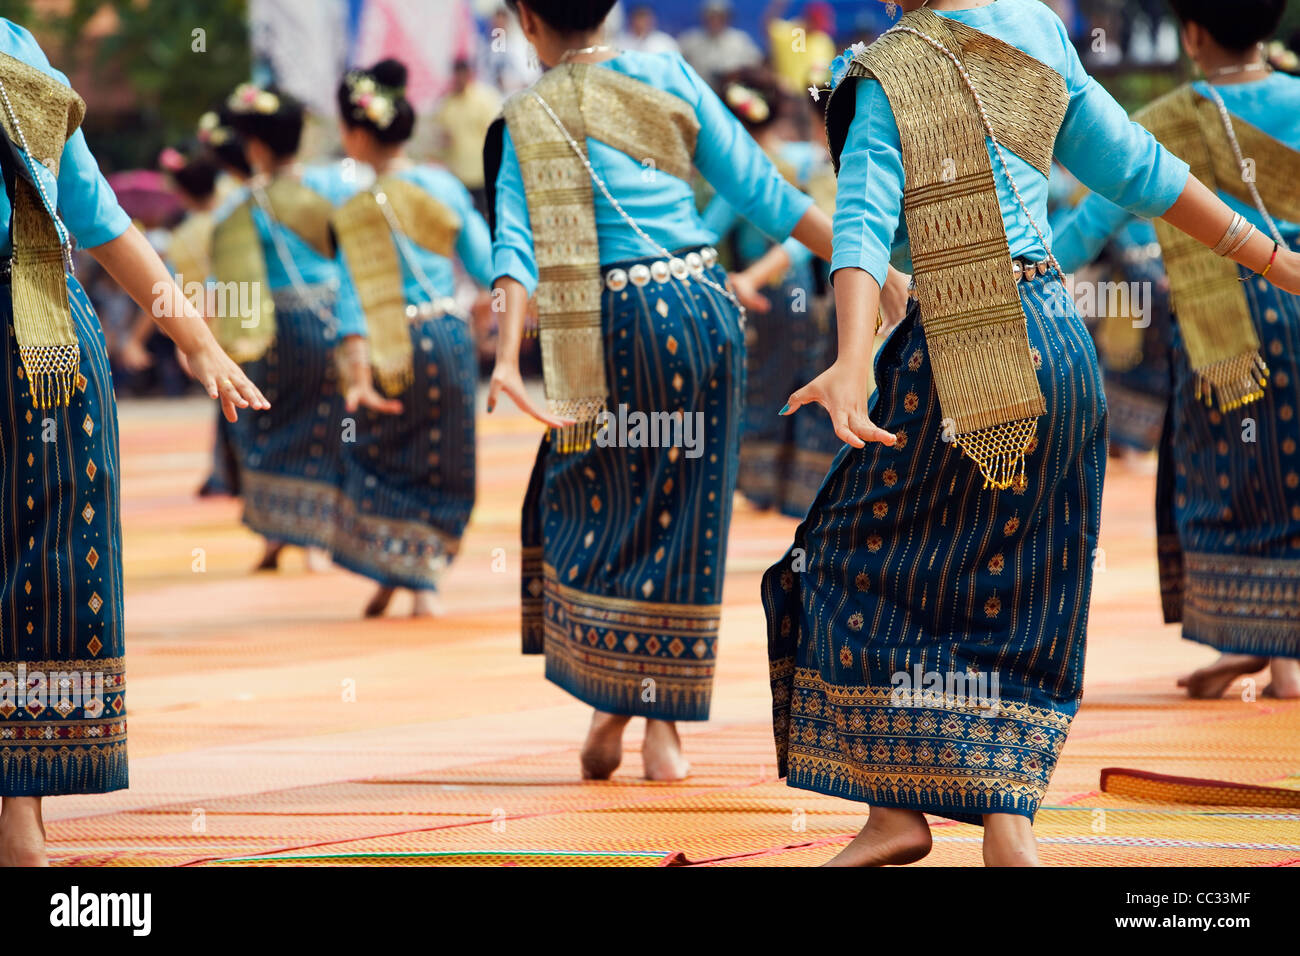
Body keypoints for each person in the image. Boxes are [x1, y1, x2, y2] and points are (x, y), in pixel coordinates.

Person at [762, 0, 1300, 867]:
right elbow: (1141, 171)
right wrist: (1278, 261)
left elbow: (862, 221)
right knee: (1021, 572)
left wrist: (852, 357)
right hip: (1057, 338)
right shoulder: (1041, 30)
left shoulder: (886, 70)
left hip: (958, 348)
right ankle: (1010, 825)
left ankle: (893, 816)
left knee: (842, 558)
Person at [485, 0, 834, 781]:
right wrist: (867, 266)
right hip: (703, 309)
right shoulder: (668, 71)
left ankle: (612, 698)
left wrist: (507, 356)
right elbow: (766, 196)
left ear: (528, 21)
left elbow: (516, 246)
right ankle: (660, 728)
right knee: (688, 514)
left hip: (602, 323)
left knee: (590, 504)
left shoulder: (526, 115)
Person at [0, 19, 265, 867]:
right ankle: (20, 824)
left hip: (42, 336)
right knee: (42, 571)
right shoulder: (17, 49)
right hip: (46, 336)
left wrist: (196, 341)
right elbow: (99, 217)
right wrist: (197, 341)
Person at [1057, 0, 1300, 700]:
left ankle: (1267, 649)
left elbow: (1089, 225)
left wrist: (1016, 273)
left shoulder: (1162, 122)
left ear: (1192, 34)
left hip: (1222, 324)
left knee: (1235, 478)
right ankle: (1277, 655)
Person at [331, 59, 494, 618]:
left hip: (388, 343)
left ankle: (393, 568)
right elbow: (486, 261)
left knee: (378, 456)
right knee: (443, 456)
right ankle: (423, 580)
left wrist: (355, 369)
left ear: (356, 134)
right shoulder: (444, 183)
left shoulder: (354, 209)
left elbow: (352, 295)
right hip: (447, 335)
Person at [213, 83, 359, 573]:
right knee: (330, 425)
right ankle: (318, 541)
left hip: (274, 328)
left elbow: (224, 286)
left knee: (268, 425)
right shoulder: (336, 187)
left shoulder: (241, 208)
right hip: (337, 321)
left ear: (254, 146)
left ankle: (277, 535)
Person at [701, 70, 840, 517]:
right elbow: (815, 230)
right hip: (810, 292)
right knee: (806, 383)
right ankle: (800, 490)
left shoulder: (740, 175)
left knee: (765, 388)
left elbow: (704, 235)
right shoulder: (806, 159)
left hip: (759, 295)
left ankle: (762, 487)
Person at [431, 59, 503, 218]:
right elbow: (442, 137)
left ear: (470, 74)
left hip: (482, 172)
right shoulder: (448, 103)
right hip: (458, 174)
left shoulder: (484, 99)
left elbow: (496, 133)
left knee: (486, 216)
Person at [678, 0, 762, 89]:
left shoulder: (740, 41)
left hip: (732, 94)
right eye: (711, 17)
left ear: (728, 18)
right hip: (697, 91)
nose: (715, 21)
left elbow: (755, 67)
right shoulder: (690, 41)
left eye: (720, 17)